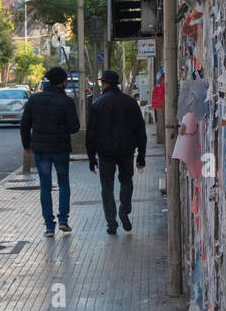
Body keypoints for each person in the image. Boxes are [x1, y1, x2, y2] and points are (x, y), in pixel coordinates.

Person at [20, 66, 80, 237]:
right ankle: (63, 220)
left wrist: (27, 146)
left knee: (45, 186)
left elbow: (25, 125)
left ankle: (49, 226)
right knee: (63, 183)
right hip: (60, 150)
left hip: (41, 150)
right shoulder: (66, 101)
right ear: (62, 82)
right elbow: (75, 128)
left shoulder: (34, 99)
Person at [86, 68, 147, 234]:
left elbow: (90, 134)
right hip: (127, 151)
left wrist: (91, 158)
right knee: (126, 181)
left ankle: (111, 224)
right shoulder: (129, 102)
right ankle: (124, 210)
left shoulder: (97, 104)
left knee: (107, 187)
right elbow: (140, 131)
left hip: (105, 153)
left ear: (105, 84)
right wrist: (141, 156)